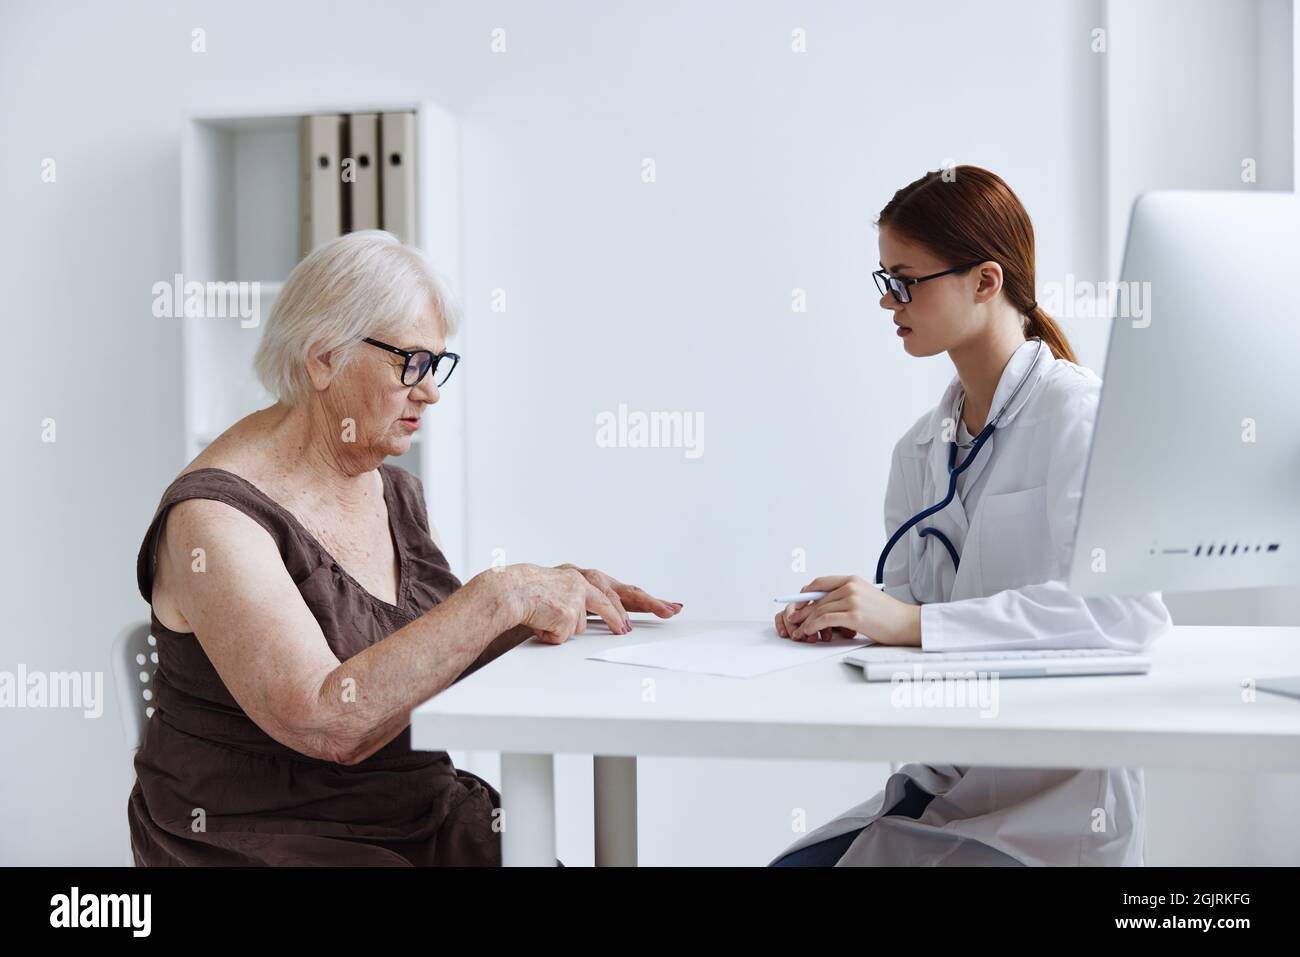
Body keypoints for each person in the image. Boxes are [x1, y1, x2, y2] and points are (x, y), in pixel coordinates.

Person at [129, 230, 682, 865]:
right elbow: (324, 721)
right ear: (323, 359)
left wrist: (545, 596)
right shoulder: (214, 518)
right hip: (266, 834)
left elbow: (422, 656)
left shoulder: (391, 489)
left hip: (412, 811)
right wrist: (499, 595)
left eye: (437, 365)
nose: (431, 391)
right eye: (410, 363)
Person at [769, 166, 1171, 866]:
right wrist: (861, 617)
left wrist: (911, 623)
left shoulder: (1079, 416)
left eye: (905, 279)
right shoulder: (920, 448)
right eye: (883, 281)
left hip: (1057, 809)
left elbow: (1124, 615)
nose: (890, 301)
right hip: (942, 784)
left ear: (985, 281)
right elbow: (922, 616)